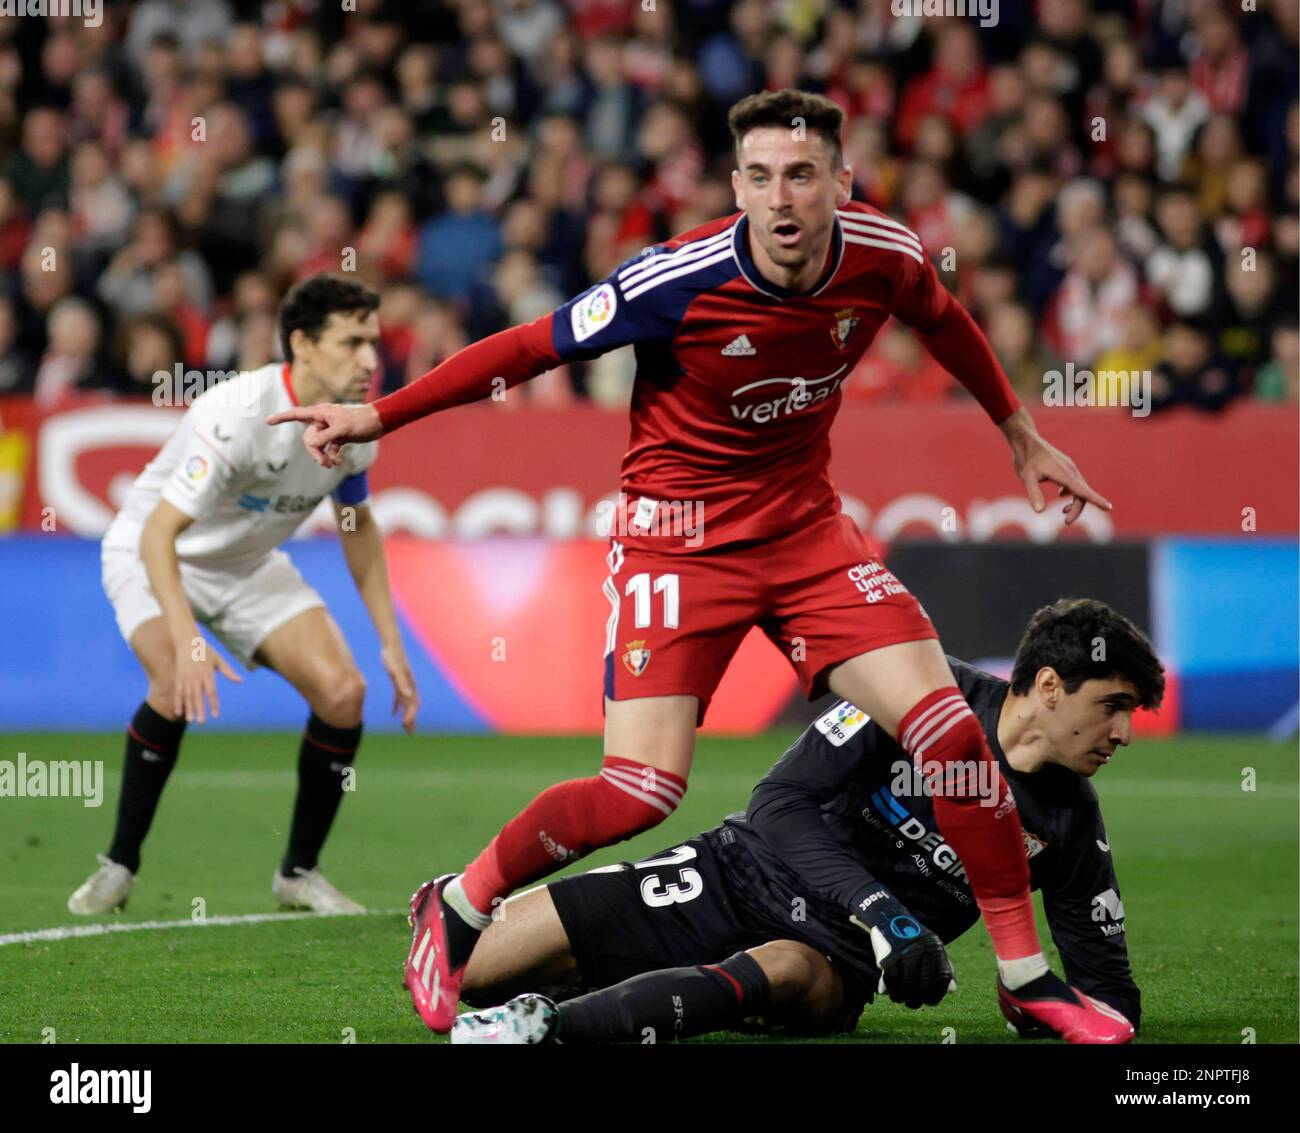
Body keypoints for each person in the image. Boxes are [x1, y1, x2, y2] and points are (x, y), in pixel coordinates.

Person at [270, 90, 1117, 1039]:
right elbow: (525, 349)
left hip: (804, 532)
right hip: (678, 538)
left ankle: (1024, 975)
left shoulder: (887, 255)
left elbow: (946, 317)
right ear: (736, 186)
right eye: (759, 176)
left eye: (801, 173)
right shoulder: (672, 279)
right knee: (640, 791)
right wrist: (377, 414)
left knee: (953, 734)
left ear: (842, 180)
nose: (781, 196)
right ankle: (461, 901)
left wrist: (1020, 432)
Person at [452, 599, 1161, 1044]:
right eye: (1113, 704)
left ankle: (546, 1027)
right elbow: (779, 800)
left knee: (787, 967)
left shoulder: (1070, 824)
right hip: (737, 871)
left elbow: (1109, 998)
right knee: (471, 968)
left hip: (839, 958)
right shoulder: (923, 693)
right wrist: (887, 910)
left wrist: (1035, 1007)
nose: (1124, 732)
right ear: (1047, 686)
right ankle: (482, 916)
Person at [69, 275, 419, 916]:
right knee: (176, 680)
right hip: (154, 554)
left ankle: (298, 873)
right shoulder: (235, 416)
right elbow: (158, 534)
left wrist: (391, 642)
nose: (371, 360)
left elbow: (355, 524)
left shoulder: (356, 429)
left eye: (372, 341)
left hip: (247, 565)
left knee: (344, 695)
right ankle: (119, 865)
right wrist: (188, 639)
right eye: (352, 343)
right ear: (302, 345)